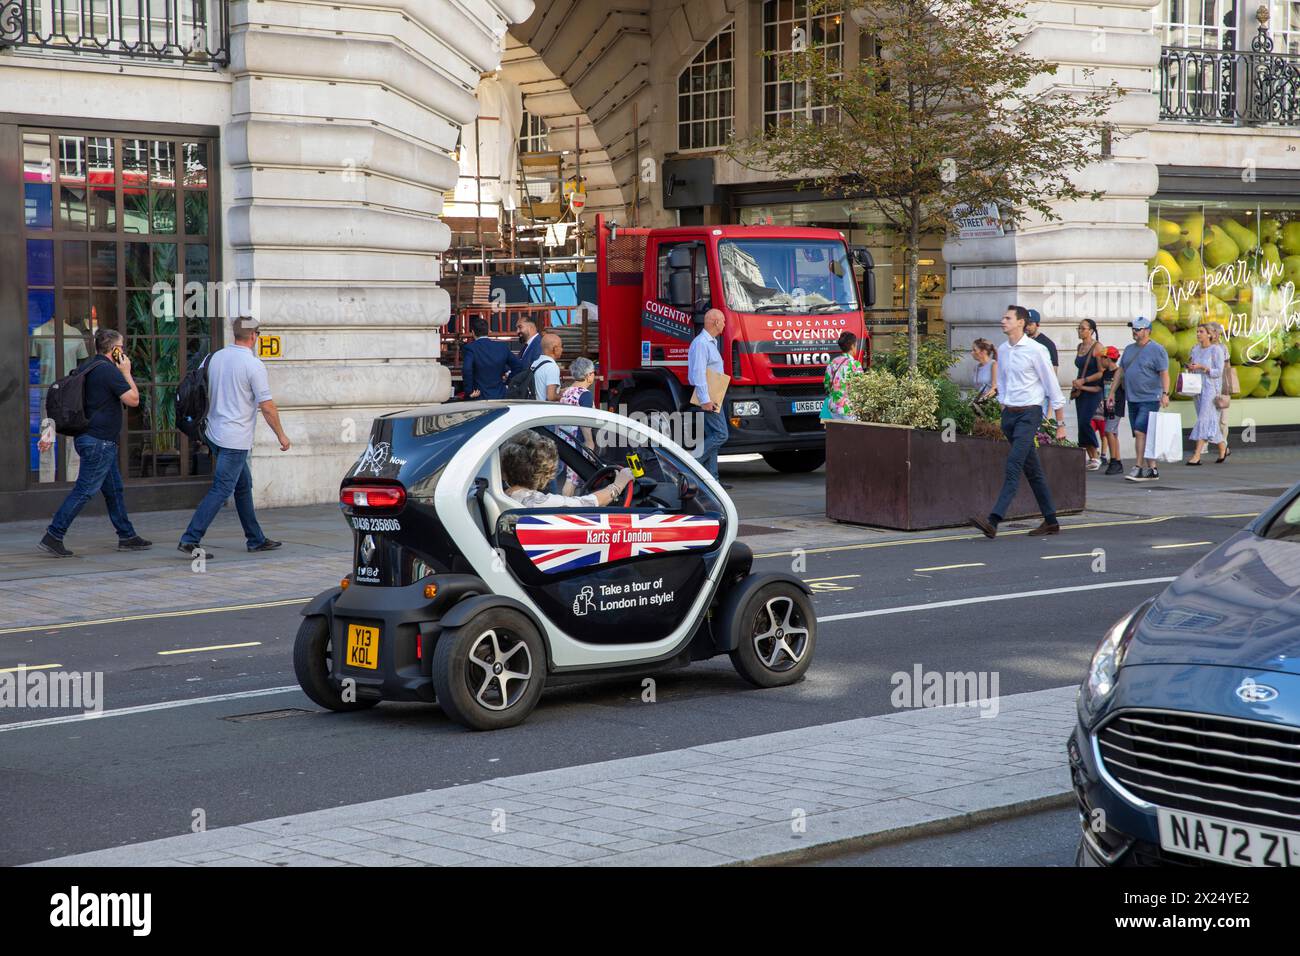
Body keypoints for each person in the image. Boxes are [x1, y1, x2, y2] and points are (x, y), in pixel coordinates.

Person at [178, 319, 290, 557]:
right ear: (253, 336)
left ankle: (255, 539)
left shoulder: (214, 357)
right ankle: (190, 538)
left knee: (242, 486)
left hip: (214, 433)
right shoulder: (253, 365)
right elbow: (267, 406)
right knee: (221, 489)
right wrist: (281, 435)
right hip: (234, 438)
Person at [38, 328, 152, 557]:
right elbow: (133, 400)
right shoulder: (109, 371)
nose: (124, 351)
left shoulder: (88, 367)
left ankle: (127, 536)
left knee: (114, 490)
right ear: (116, 350)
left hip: (93, 440)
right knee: (85, 490)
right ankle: (54, 534)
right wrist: (126, 371)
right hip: (99, 443)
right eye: (122, 347)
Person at [969, 305, 1067, 539]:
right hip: (1010, 416)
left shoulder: (1037, 350)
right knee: (1033, 471)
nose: (1003, 321)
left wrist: (1061, 423)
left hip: (1029, 414)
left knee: (1013, 465)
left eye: (1008, 318)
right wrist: (1003, 406)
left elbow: (1052, 385)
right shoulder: (1003, 349)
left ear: (1021, 322)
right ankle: (1051, 521)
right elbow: (1001, 381)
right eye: (1003, 317)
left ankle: (993, 520)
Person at [500, 429, 632, 509]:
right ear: (546, 473)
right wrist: (618, 485)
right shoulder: (539, 503)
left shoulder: (501, 496)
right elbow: (585, 504)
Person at [1117, 316, 1170, 482]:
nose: (1134, 331)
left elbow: (1164, 373)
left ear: (1147, 331)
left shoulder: (1157, 350)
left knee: (1140, 431)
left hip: (1150, 397)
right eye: (1133, 328)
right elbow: (1120, 371)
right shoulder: (1128, 349)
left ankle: (1138, 467)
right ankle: (1152, 469)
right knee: (1143, 433)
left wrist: (1165, 394)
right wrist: (1111, 393)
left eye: (1138, 329)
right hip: (1132, 398)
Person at [688, 308, 729, 486]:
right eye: (724, 321)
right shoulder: (701, 344)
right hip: (709, 396)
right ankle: (692, 463)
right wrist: (705, 400)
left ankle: (713, 481)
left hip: (714, 394)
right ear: (716, 322)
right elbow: (698, 373)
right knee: (721, 434)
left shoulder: (710, 342)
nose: (725, 324)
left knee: (713, 434)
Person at [1185, 322, 1228, 465]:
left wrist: (1203, 367)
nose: (1198, 334)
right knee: (1210, 420)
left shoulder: (1216, 350)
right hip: (1197, 387)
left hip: (1211, 388)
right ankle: (1223, 447)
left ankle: (1197, 455)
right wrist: (1191, 368)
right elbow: (1193, 365)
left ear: (1209, 334)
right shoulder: (1195, 349)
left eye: (1201, 332)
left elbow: (1218, 372)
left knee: (1203, 419)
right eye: (1197, 331)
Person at [1071, 319, 1105, 470]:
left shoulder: (1097, 347)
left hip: (1093, 389)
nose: (1080, 331)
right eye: (1078, 328)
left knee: (1086, 422)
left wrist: (1084, 380)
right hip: (1081, 391)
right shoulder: (1079, 346)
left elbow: (1101, 372)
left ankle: (1096, 455)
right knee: (1081, 424)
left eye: (1083, 328)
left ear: (1091, 330)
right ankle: (1091, 455)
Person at [558, 356, 597, 487]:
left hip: (564, 438)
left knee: (569, 478)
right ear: (588, 375)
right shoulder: (584, 394)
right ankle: (566, 507)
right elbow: (584, 421)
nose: (594, 376)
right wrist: (590, 443)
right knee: (572, 481)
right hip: (577, 441)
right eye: (593, 373)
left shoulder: (566, 392)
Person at [461, 316, 521, 399]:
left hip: (479, 395)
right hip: (500, 393)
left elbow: (467, 369)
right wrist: (508, 381)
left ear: (473, 332)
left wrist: (469, 391)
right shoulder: (501, 347)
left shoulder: (470, 348)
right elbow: (518, 366)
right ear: (488, 332)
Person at [822, 331, 863, 421]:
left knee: (838, 434)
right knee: (852, 434)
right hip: (849, 409)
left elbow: (826, 385)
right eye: (856, 345)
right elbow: (861, 388)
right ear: (852, 346)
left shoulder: (832, 363)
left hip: (833, 408)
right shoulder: (855, 364)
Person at [1098, 346, 1125, 475]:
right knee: (1113, 434)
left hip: (1116, 406)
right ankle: (1117, 460)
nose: (1100, 361)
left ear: (1107, 358)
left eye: (1101, 358)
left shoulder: (1119, 373)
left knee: (1109, 431)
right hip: (1107, 407)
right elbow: (1099, 389)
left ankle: (1114, 460)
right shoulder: (1105, 373)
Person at [532, 332, 563, 402]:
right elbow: (550, 397)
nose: (562, 349)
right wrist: (564, 395)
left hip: (534, 406)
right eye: (561, 346)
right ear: (555, 348)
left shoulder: (535, 363)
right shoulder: (552, 367)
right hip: (545, 409)